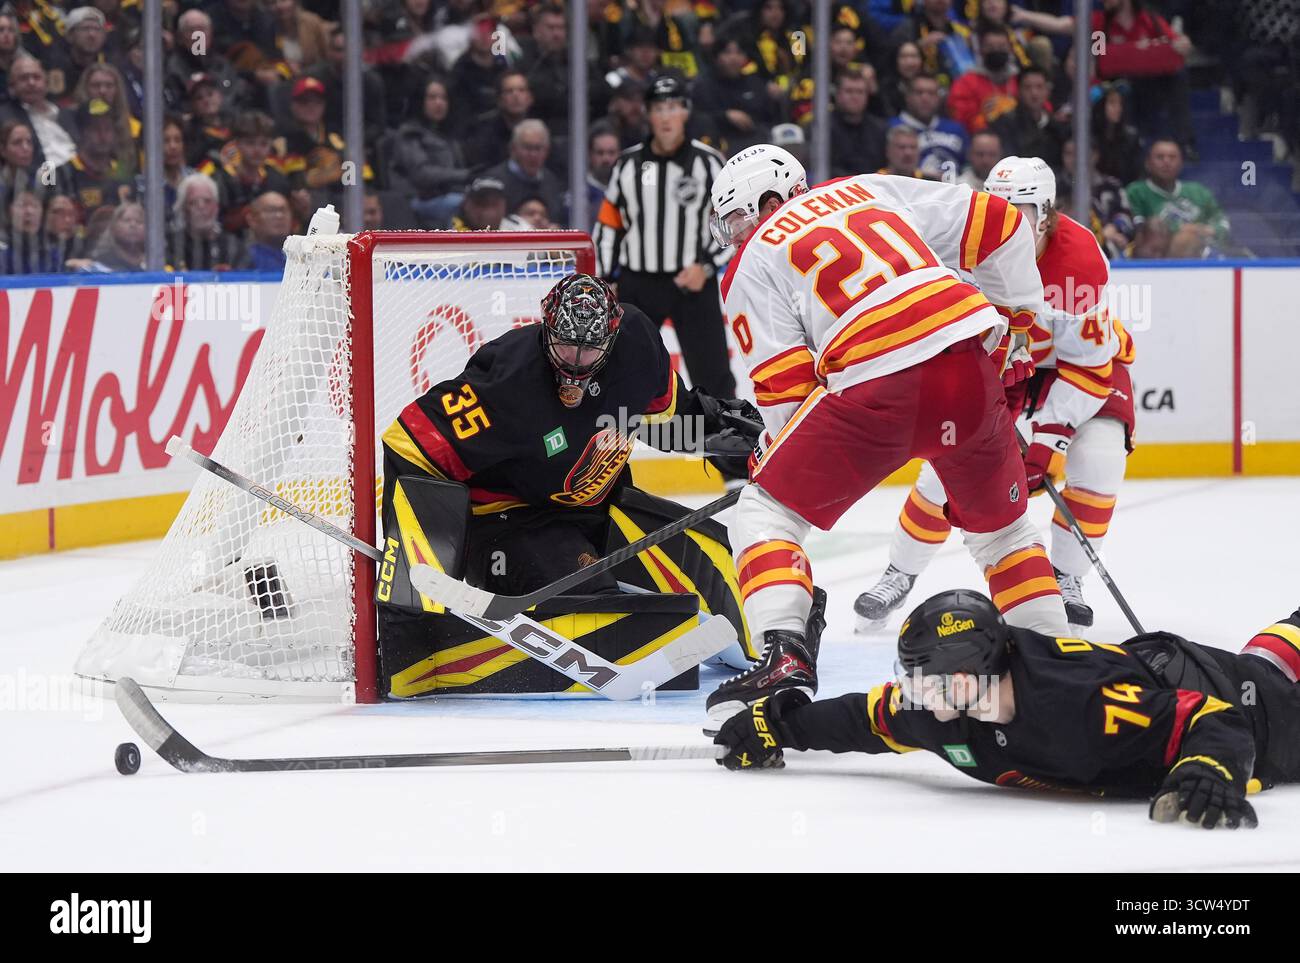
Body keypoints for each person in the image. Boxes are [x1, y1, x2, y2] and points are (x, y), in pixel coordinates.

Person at [703, 144, 1067, 722]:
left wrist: (774, 455)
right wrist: (1022, 321)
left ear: (770, 201)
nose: (736, 233)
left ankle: (784, 655)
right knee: (1004, 538)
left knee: (765, 512)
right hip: (968, 362)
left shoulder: (752, 260)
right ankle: (1059, 667)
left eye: (738, 217)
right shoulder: (869, 187)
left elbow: (785, 387)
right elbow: (1000, 224)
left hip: (876, 386)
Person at [379, 273, 756, 664]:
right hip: (516, 521)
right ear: (546, 327)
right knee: (599, 608)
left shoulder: (638, 343)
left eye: (589, 350)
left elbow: (669, 420)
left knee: (729, 573)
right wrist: (417, 570)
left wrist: (725, 435)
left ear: (611, 338)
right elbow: (409, 443)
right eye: (564, 345)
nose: (575, 363)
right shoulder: (507, 378)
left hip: (603, 510)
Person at [714, 587, 1300, 832]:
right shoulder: (940, 708)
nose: (912, 695)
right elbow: (864, 718)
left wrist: (1211, 768)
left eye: (927, 682)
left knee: (1267, 679)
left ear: (971, 678)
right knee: (1269, 662)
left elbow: (1215, 718)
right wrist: (775, 723)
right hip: (1163, 668)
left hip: (1259, 718)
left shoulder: (1077, 707)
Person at [857, 156, 1136, 632]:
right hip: (1005, 366)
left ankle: (1066, 576)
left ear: (1045, 213)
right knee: (944, 470)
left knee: (1102, 459)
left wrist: (1049, 441)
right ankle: (899, 571)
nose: (1006, 223)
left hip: (1077, 371)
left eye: (1021, 211)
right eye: (997, 208)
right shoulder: (965, 248)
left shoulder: (1080, 263)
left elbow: (1089, 367)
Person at [593, 76, 734, 401]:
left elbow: (729, 224)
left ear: (685, 113)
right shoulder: (627, 164)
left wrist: (708, 267)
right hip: (637, 283)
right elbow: (609, 226)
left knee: (712, 373)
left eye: (673, 107)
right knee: (618, 367)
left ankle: (725, 444)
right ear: (649, 114)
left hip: (692, 281)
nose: (666, 116)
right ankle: (608, 439)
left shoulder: (708, 163)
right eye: (659, 108)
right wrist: (606, 280)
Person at [1126, 140, 1233, 259]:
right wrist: (1181, 231)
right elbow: (1140, 231)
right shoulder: (1136, 192)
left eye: (1172, 157)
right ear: (1148, 163)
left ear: (1181, 163)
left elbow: (1222, 223)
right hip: (1157, 260)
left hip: (1201, 255)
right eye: (1160, 157)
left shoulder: (1199, 191)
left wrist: (1202, 231)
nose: (1166, 162)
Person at [387, 76, 470, 229]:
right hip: (419, 199)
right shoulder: (409, 134)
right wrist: (464, 175)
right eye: (432, 97)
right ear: (420, 101)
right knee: (470, 204)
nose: (439, 103)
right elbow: (421, 174)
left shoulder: (449, 135)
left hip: (448, 195)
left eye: (443, 98)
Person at [204, 110, 290, 233]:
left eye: (264, 144)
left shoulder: (277, 179)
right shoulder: (219, 180)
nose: (257, 150)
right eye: (250, 143)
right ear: (237, 144)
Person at [484, 119, 566, 225]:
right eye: (527, 148)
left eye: (538, 148)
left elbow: (556, 219)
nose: (533, 154)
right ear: (513, 149)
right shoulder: (493, 181)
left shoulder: (551, 181)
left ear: (547, 151)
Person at [889, 72, 967, 180]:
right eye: (919, 92)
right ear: (908, 96)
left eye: (931, 93)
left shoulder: (956, 129)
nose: (925, 98)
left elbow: (968, 166)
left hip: (954, 190)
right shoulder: (891, 127)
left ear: (939, 97)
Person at [166, 171, 248, 271]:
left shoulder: (233, 246)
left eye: (207, 201)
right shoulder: (170, 245)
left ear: (216, 207)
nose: (201, 207)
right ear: (183, 210)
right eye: (193, 202)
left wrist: (228, 277)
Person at [947, 23, 1019, 134]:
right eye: (990, 47)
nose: (996, 50)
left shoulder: (1020, 79)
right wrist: (983, 115)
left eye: (1002, 46)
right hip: (982, 139)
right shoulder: (965, 82)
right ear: (980, 50)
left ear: (1010, 49)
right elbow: (958, 119)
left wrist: (1019, 109)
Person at [989, 66, 1065, 170]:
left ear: (1048, 91)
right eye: (1027, 87)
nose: (1034, 93)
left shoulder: (1056, 126)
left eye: (1039, 87)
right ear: (1019, 91)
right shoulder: (1005, 124)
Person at [829, 66, 886, 178]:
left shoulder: (879, 130)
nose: (855, 97)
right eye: (849, 91)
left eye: (860, 92)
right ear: (837, 94)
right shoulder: (821, 128)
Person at [245, 190, 291, 271]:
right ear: (252, 219)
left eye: (283, 210)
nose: (279, 215)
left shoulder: (304, 256)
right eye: (271, 210)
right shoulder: (239, 257)